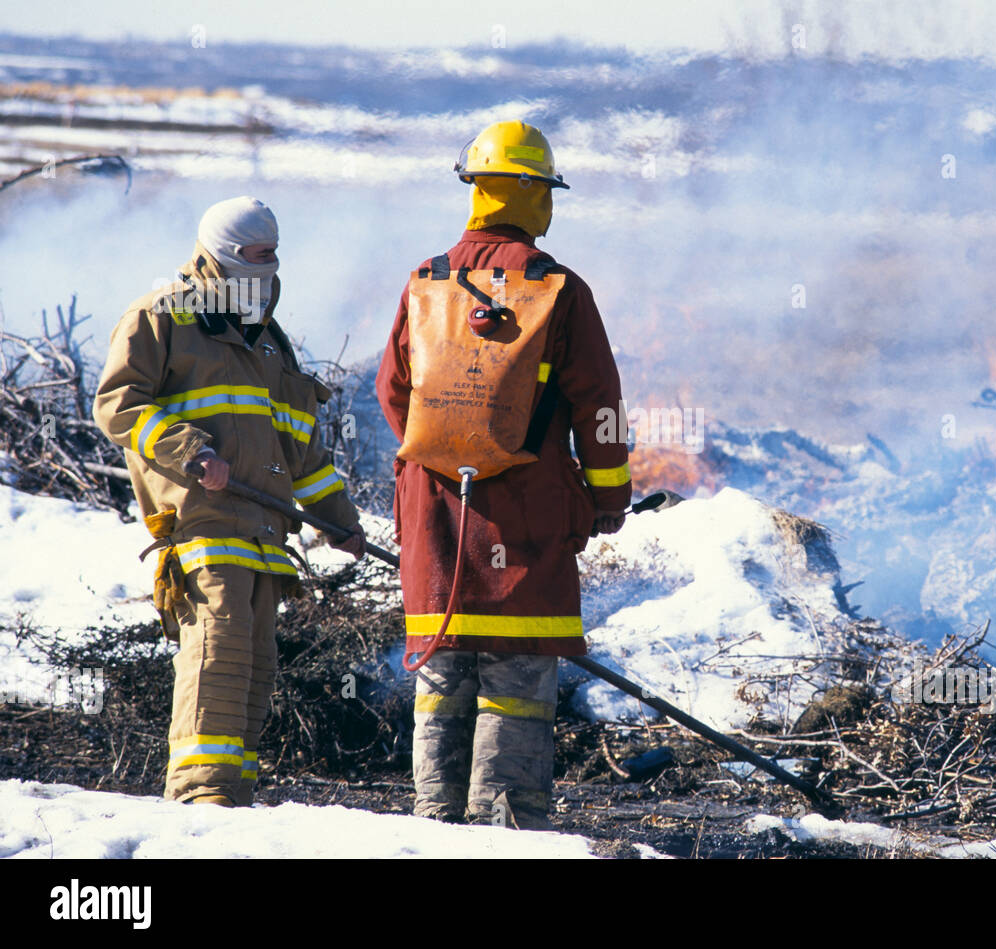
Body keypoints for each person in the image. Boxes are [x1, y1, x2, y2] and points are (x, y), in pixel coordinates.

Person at [377, 121, 631, 830]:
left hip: (435, 518)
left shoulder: (426, 282)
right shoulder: (558, 290)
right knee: (516, 685)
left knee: (441, 681)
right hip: (526, 525)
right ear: (534, 195)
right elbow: (600, 409)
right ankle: (508, 837)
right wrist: (608, 498)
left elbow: (392, 391)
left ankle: (432, 833)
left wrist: (447, 454)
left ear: (477, 190)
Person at [94, 196, 365, 807]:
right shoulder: (161, 317)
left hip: (267, 543)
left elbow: (303, 452)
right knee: (217, 659)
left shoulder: (271, 344)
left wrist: (339, 523)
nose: (270, 267)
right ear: (223, 255)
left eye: (273, 255)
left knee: (253, 674)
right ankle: (199, 804)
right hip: (204, 529)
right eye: (258, 256)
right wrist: (190, 452)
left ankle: (232, 807)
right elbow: (117, 404)